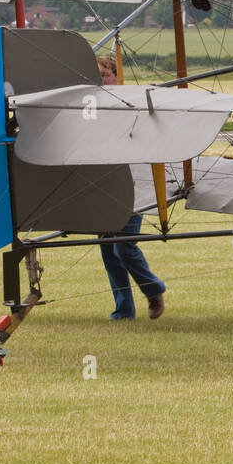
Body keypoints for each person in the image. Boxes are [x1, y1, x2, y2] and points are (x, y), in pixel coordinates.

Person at [96, 55, 166, 320]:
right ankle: (124, 309)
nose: (103, 80)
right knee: (107, 249)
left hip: (134, 186)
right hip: (103, 186)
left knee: (123, 246)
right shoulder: (92, 107)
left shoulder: (133, 103)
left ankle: (153, 289)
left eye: (106, 74)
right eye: (98, 75)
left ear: (117, 75)